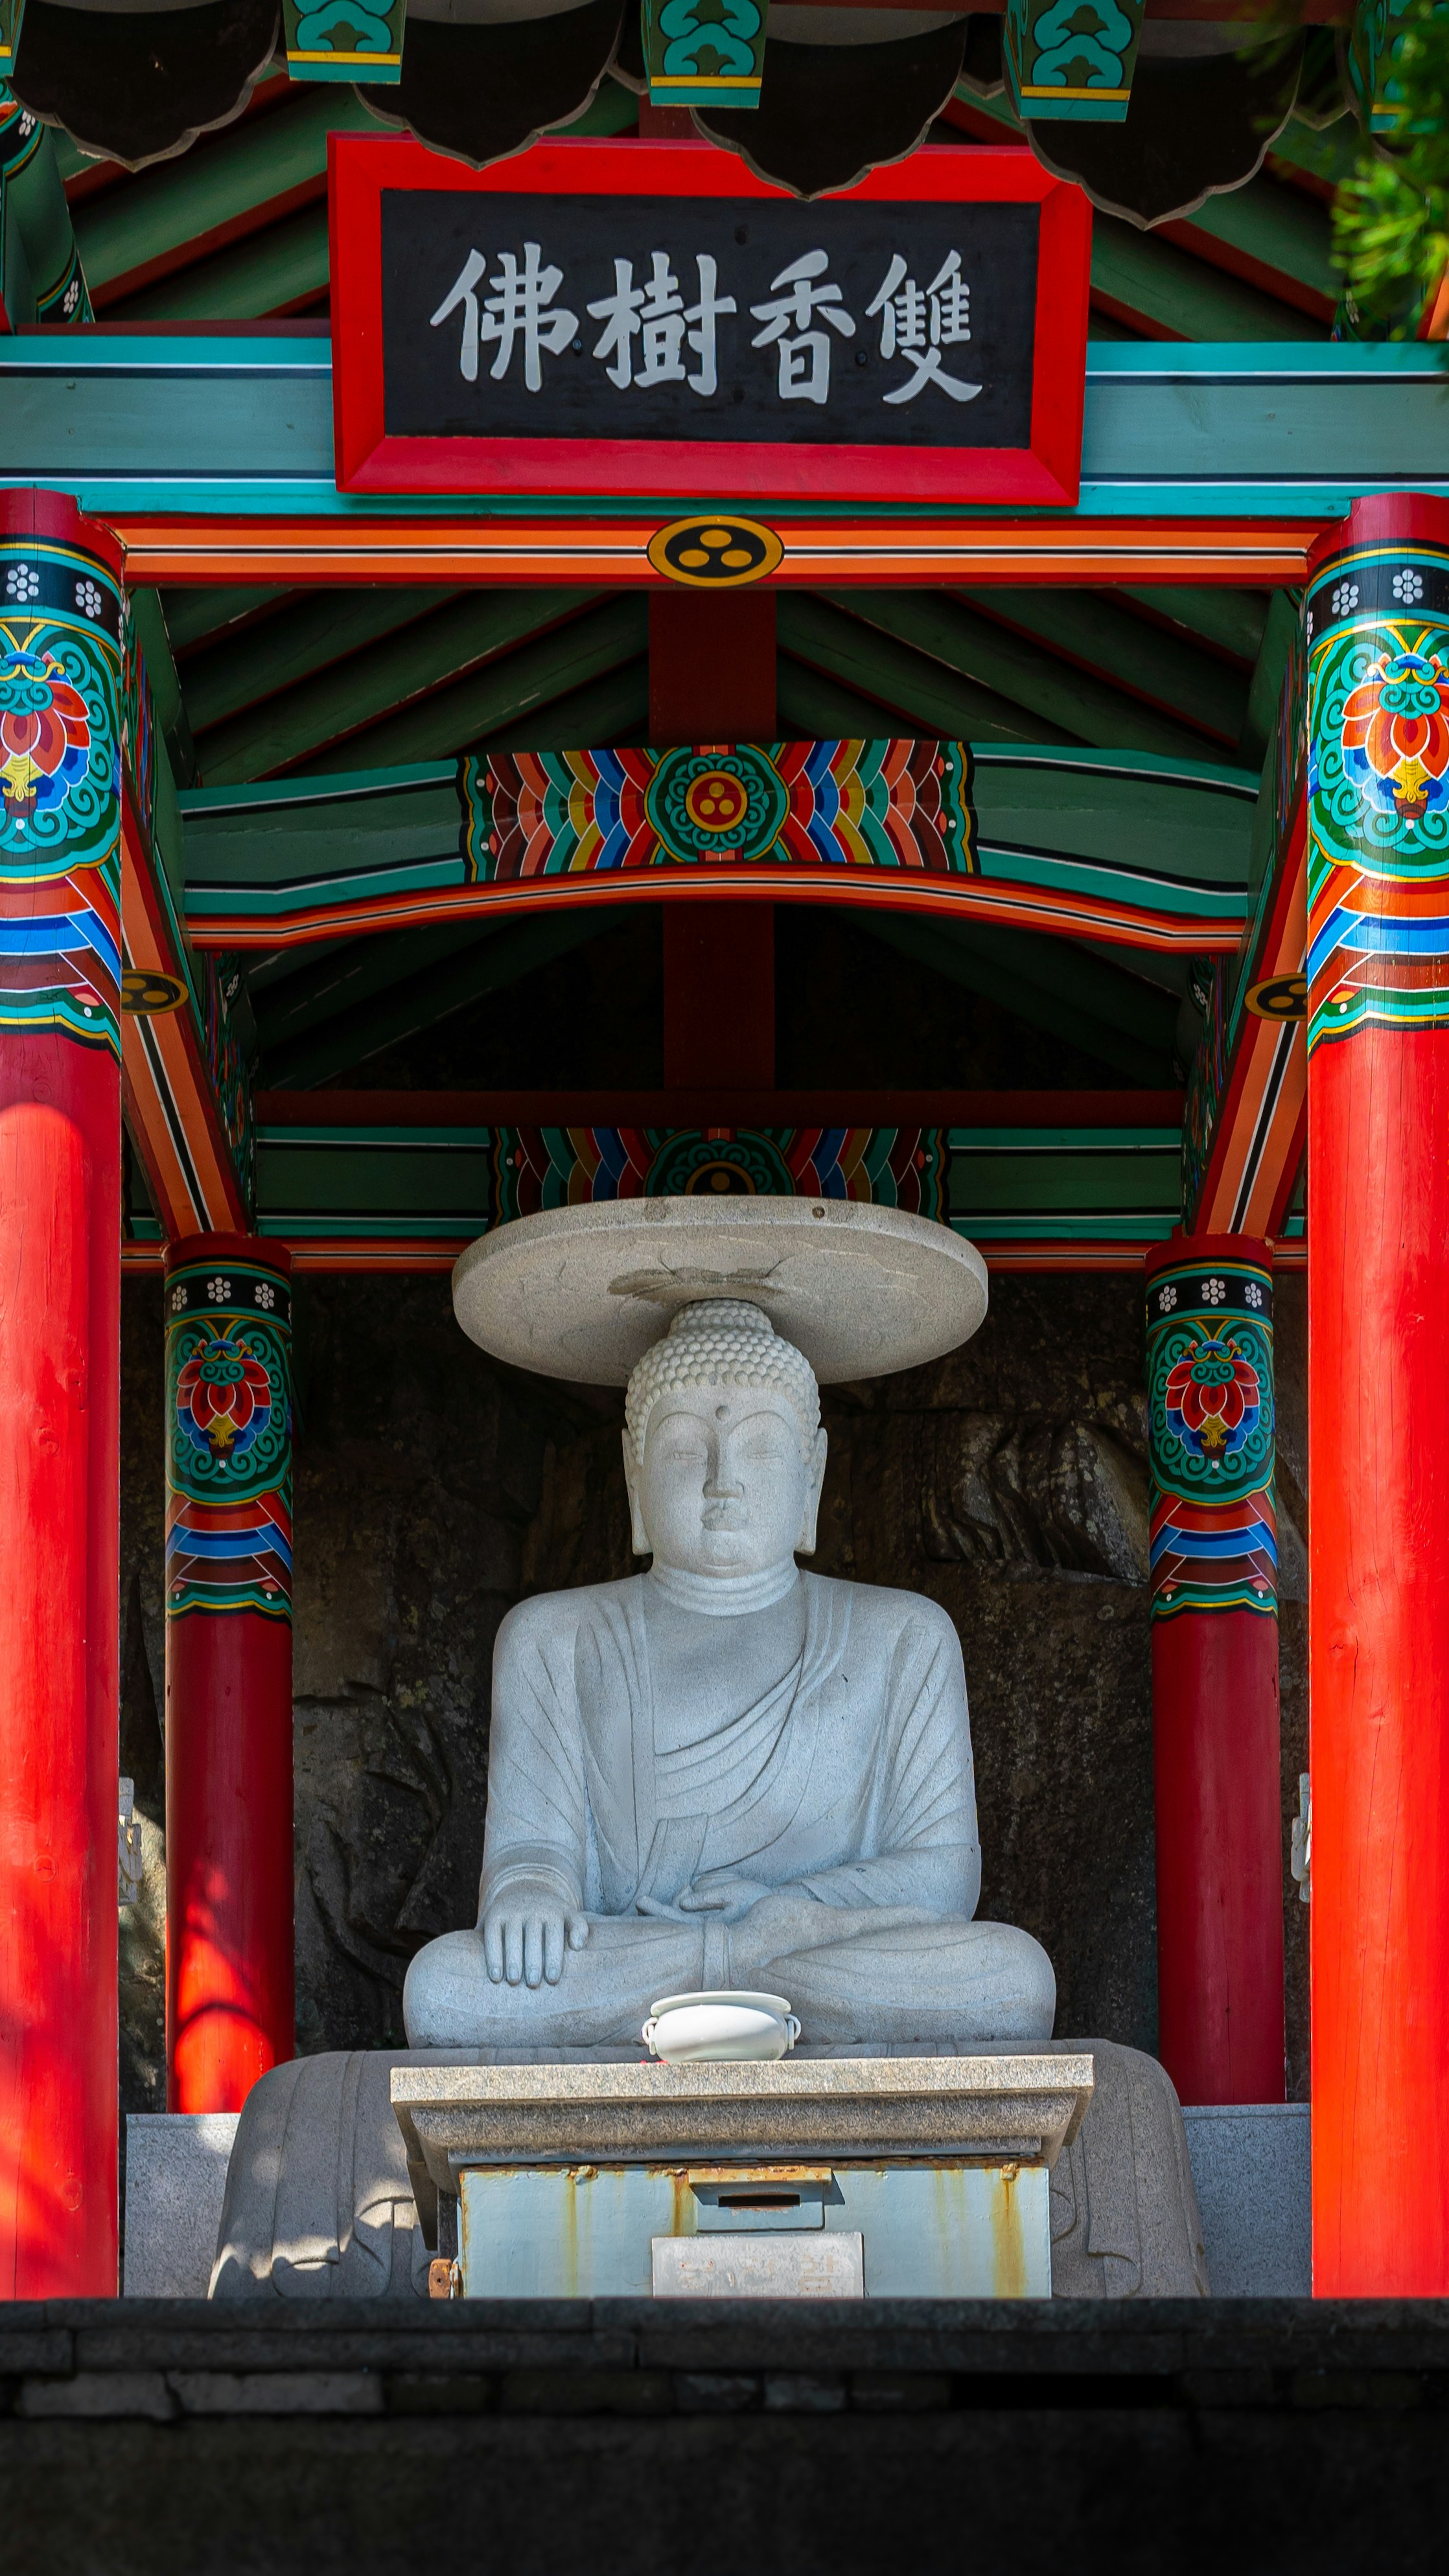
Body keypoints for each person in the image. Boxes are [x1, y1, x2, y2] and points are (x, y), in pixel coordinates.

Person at [403, 1299, 1055, 2049]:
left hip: (808, 1950)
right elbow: (534, 1849)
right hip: (645, 1955)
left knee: (1014, 1977)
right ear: (633, 1471)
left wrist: (797, 1912)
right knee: (442, 1987)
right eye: (685, 1449)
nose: (723, 1481)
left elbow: (942, 1878)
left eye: (760, 1448)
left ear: (811, 1475)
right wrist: (528, 1894)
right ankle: (741, 1984)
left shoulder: (903, 1634)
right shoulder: (554, 1635)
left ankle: (728, 1981)